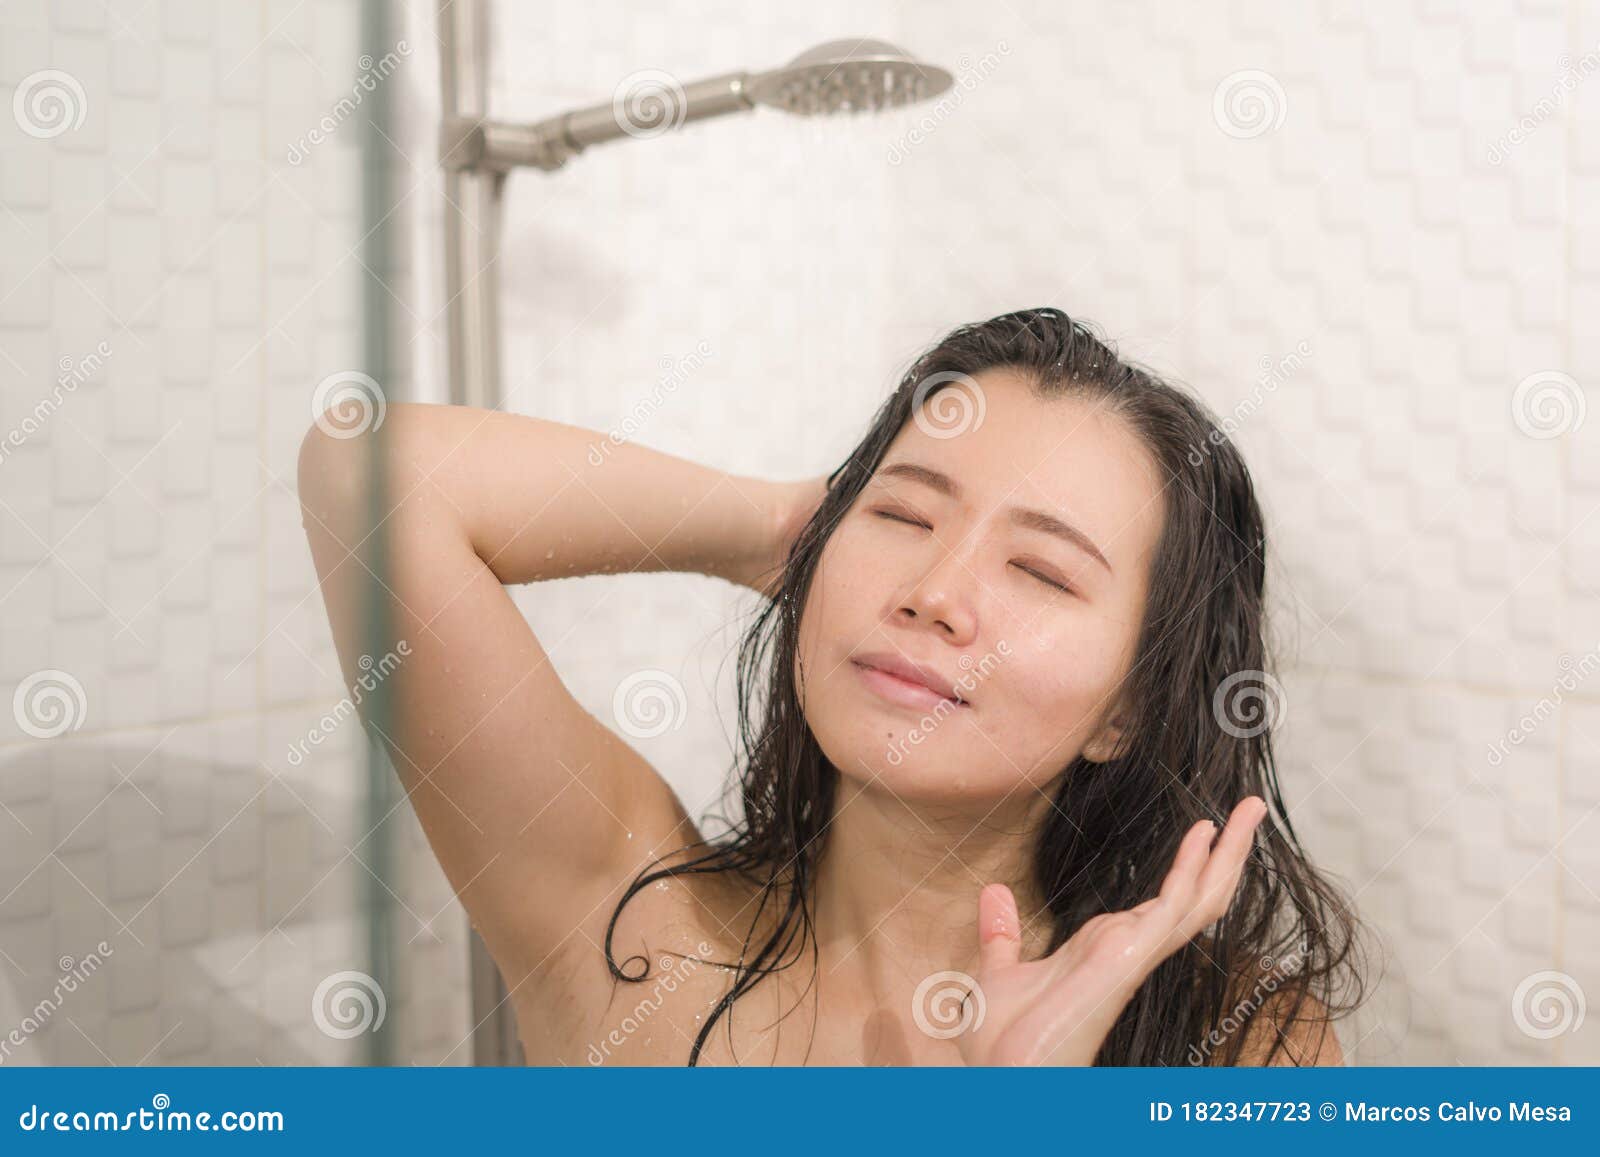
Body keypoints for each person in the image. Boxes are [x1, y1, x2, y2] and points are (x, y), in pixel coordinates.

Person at [298, 307, 1369, 1066]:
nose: (936, 589)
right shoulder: (618, 915)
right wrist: (778, 532)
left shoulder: (1235, 1044)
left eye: (1039, 570)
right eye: (901, 516)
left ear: (1129, 705)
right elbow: (368, 473)